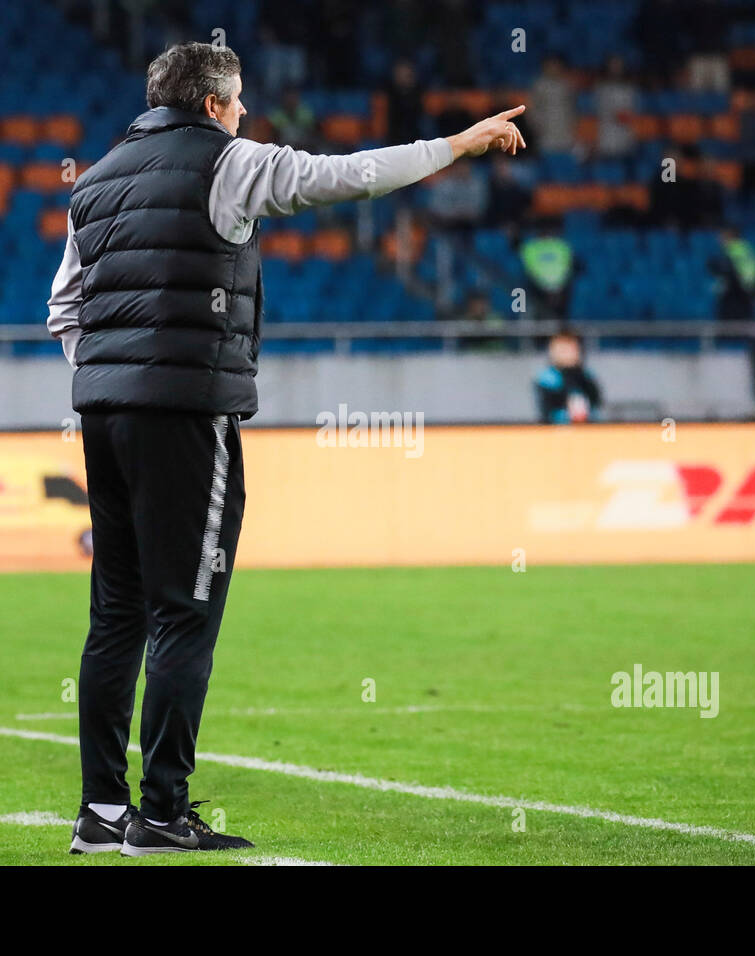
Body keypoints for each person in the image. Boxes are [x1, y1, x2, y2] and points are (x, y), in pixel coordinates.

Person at [45, 41, 526, 856]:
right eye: (237, 103)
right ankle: (160, 813)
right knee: (184, 612)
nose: (244, 116)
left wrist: (118, 375)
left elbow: (64, 310)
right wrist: (454, 146)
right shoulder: (228, 162)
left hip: (102, 413)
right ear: (211, 104)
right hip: (189, 414)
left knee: (115, 614)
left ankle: (99, 811)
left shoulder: (91, 182)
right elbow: (340, 177)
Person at [535, 330, 604, 423]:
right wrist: (568, 416)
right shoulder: (547, 379)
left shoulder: (587, 376)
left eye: (570, 349)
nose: (566, 354)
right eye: (561, 350)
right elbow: (545, 412)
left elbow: (597, 404)